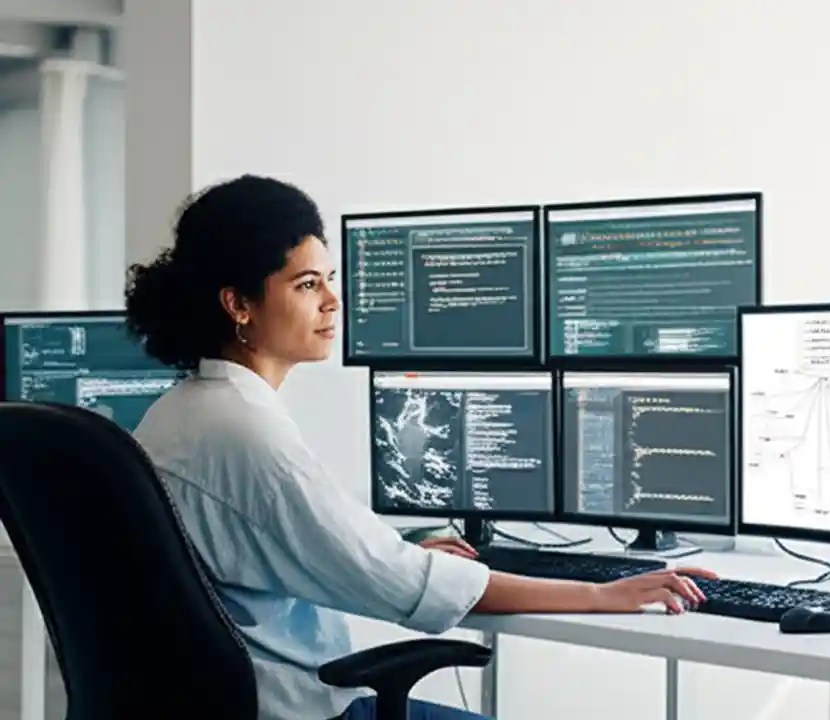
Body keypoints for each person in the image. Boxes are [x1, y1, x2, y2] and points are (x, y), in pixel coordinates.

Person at [124, 175, 715, 720]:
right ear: (239, 304)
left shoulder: (188, 410)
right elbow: (399, 583)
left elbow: (297, 533)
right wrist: (599, 593)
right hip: (296, 707)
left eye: (331, 279)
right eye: (306, 284)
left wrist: (403, 541)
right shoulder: (245, 430)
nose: (332, 301)